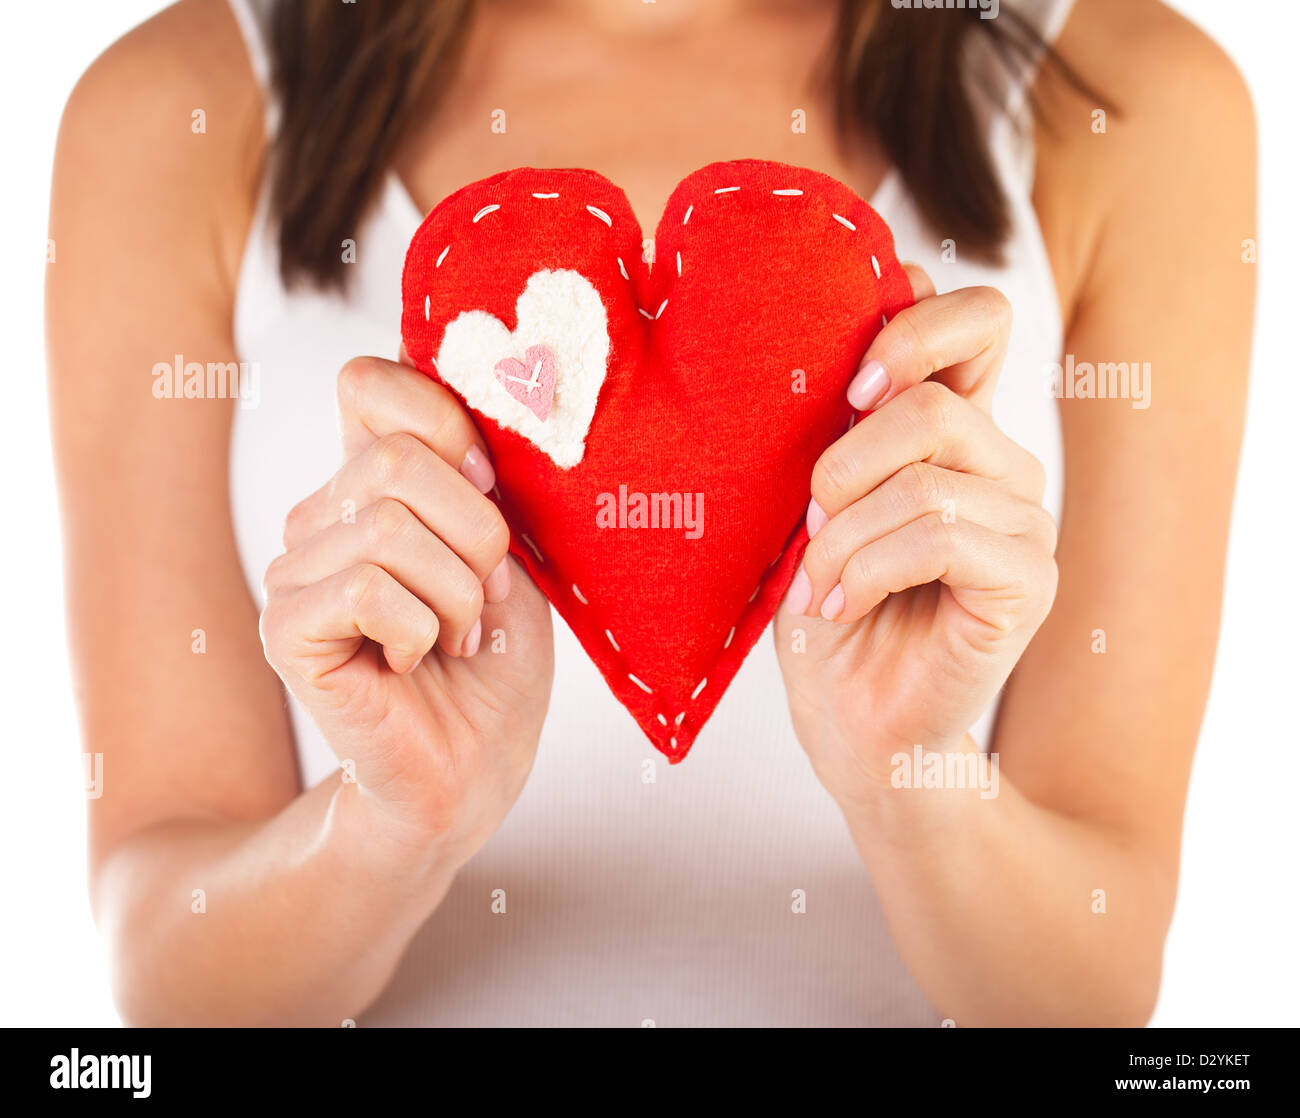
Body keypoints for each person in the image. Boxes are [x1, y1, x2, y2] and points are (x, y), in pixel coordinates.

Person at [46, 0, 1255, 1025]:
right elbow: (166, 965)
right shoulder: (175, 104)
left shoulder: (1126, 96)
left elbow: (1096, 988)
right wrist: (391, 820)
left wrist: (912, 776)